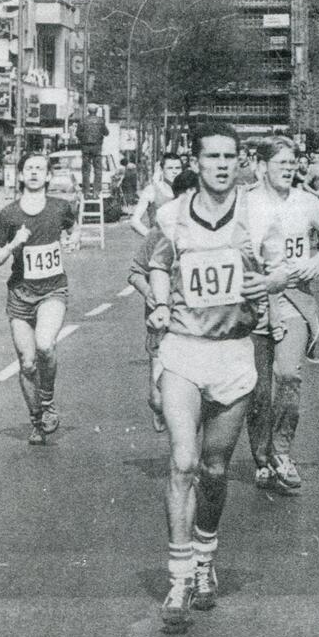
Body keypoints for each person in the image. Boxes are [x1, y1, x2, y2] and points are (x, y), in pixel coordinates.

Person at [147, 122, 275, 633]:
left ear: (239, 161)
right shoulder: (171, 214)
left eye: (230, 156)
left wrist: (269, 283)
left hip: (234, 353)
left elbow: (276, 269)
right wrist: (160, 302)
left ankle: (205, 555)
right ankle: (178, 577)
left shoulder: (256, 212)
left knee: (216, 471)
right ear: (195, 163)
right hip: (183, 349)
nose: (222, 165)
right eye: (212, 156)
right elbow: (158, 264)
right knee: (183, 462)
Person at [245, 136, 319, 494]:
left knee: (287, 375)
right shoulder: (247, 204)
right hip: (254, 301)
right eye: (280, 163)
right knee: (256, 391)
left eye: (291, 162)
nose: (287, 168)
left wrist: (318, 260)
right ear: (262, 166)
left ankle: (282, 453)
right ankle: (262, 458)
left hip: (295, 300)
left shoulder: (306, 202)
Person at [0, 150, 77, 443]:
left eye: (41, 168)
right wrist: (15, 242)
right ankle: (37, 421)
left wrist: (72, 238)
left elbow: (72, 227)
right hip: (20, 294)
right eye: (30, 168)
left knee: (45, 346)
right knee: (27, 362)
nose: (35, 173)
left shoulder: (60, 207)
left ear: (49, 176)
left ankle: (48, 404)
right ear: (22, 175)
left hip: (52, 289)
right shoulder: (9, 214)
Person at [129, 152, 185, 431]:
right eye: (170, 167)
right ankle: (157, 400)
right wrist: (151, 241)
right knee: (158, 394)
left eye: (178, 167)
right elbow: (135, 221)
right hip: (159, 290)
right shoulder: (156, 197)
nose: (174, 171)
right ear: (161, 169)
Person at [75, 104, 106, 198]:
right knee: (98, 170)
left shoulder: (83, 120)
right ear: (96, 111)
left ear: (88, 111)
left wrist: (84, 139)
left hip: (85, 148)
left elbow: (78, 133)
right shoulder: (101, 121)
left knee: (86, 170)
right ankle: (96, 192)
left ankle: (86, 192)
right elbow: (106, 132)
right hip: (97, 148)